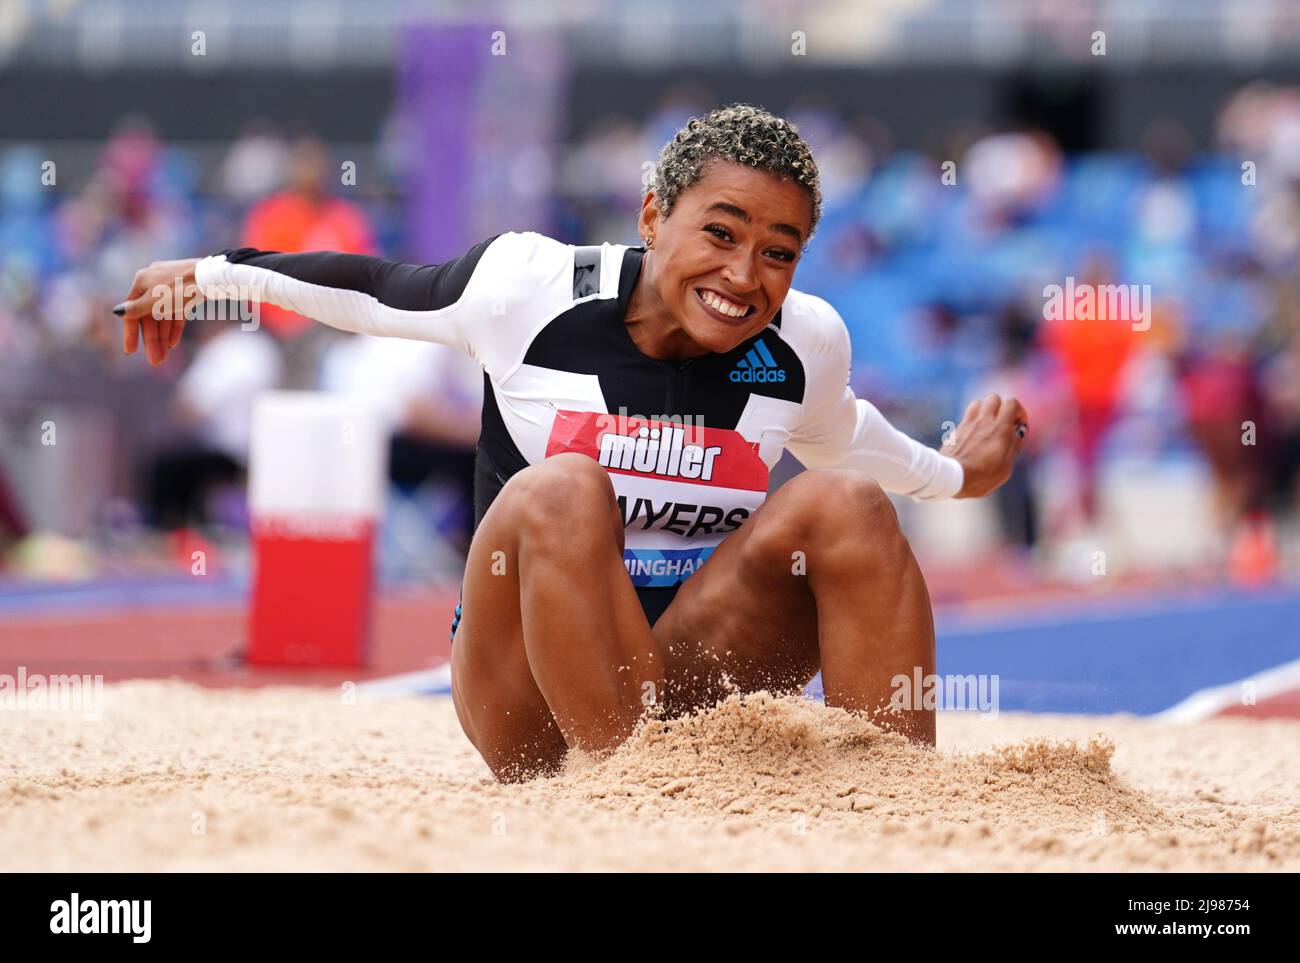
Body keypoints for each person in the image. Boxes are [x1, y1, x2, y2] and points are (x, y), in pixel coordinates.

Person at [117, 105, 1028, 782]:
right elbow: (375, 288)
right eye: (718, 233)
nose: (743, 275)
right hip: (528, 696)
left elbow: (853, 442)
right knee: (561, 490)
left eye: (778, 253)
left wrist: (956, 474)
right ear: (650, 217)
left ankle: (905, 799)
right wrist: (204, 277)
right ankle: (617, 794)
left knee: (849, 505)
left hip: (689, 669)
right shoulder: (530, 286)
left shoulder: (805, 345)